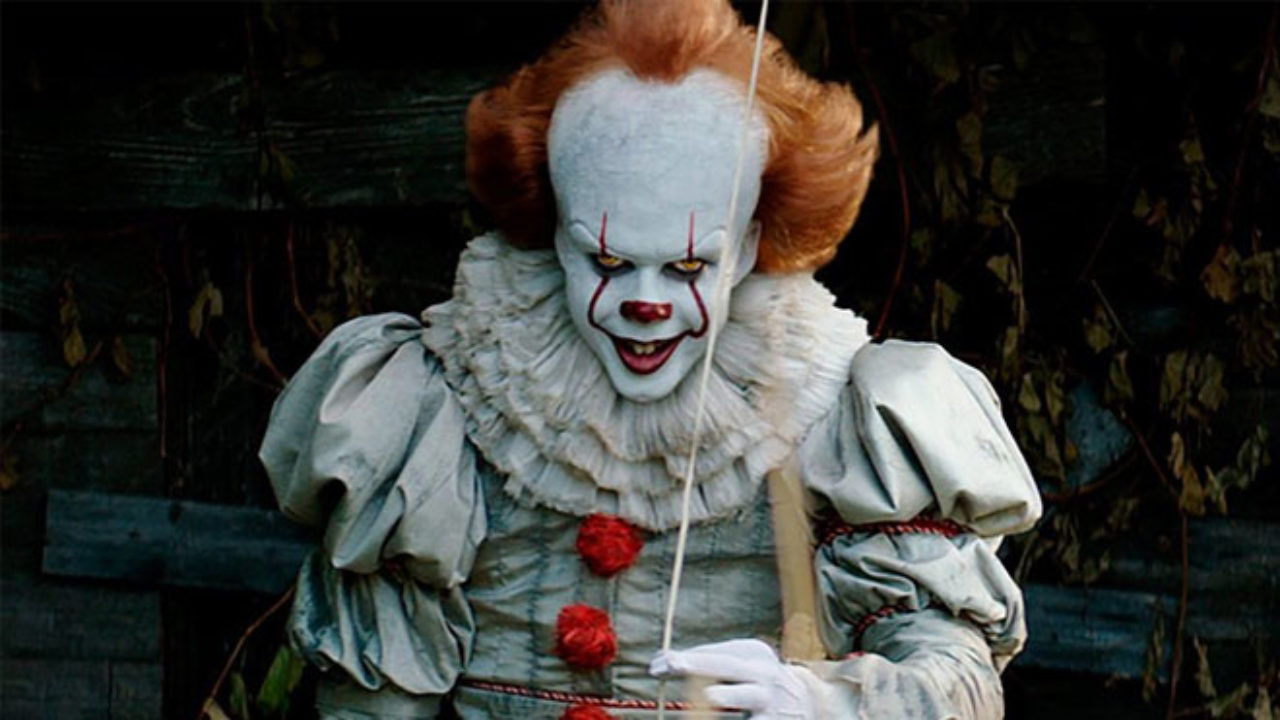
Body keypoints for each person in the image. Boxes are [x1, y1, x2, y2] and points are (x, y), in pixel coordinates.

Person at [259, 1, 1043, 718]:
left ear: (748, 245)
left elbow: (957, 679)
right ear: (554, 229)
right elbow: (373, 702)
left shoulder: (845, 414)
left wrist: (824, 703)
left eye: (688, 265)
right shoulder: (443, 401)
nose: (646, 302)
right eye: (606, 260)